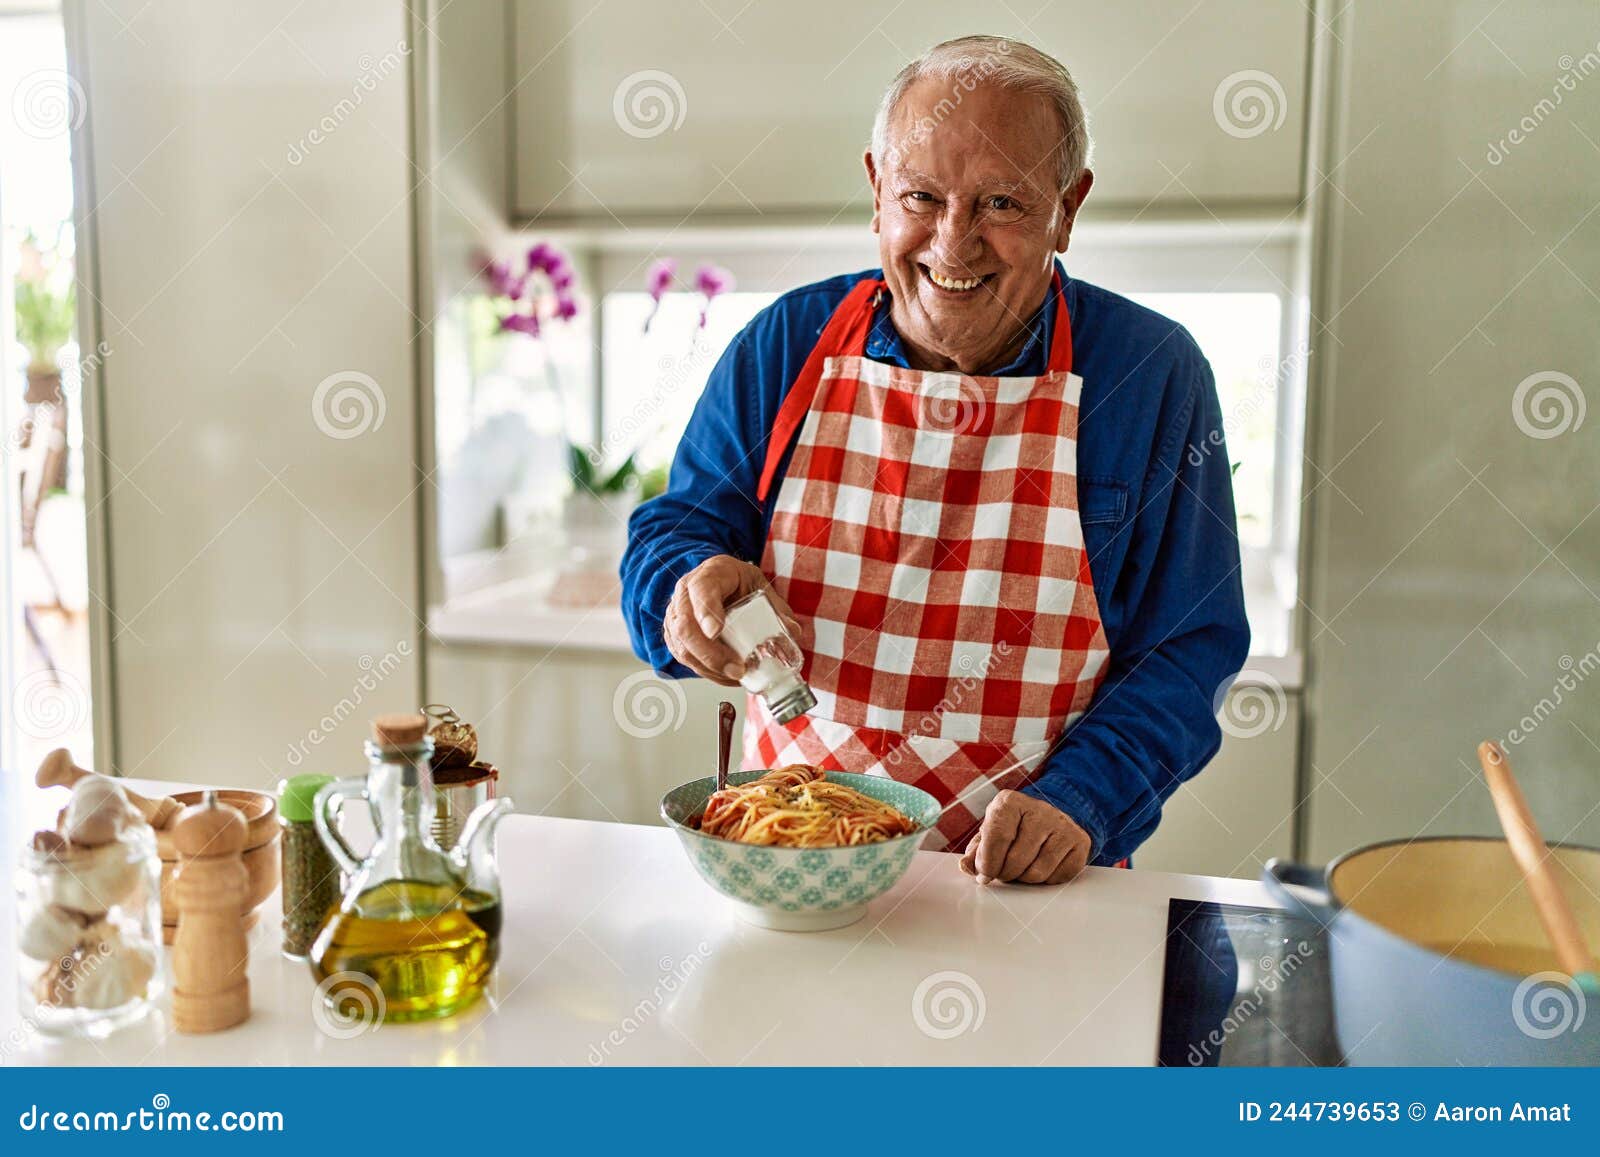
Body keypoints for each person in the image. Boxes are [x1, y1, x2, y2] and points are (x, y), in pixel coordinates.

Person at [622, 35, 1249, 886]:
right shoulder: (783, 345)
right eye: (922, 196)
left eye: (1001, 204)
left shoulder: (1151, 374)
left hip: (1030, 886)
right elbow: (676, 530)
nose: (954, 246)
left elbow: (1188, 646)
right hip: (795, 868)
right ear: (878, 190)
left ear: (1068, 207)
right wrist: (683, 586)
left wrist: (1084, 800)